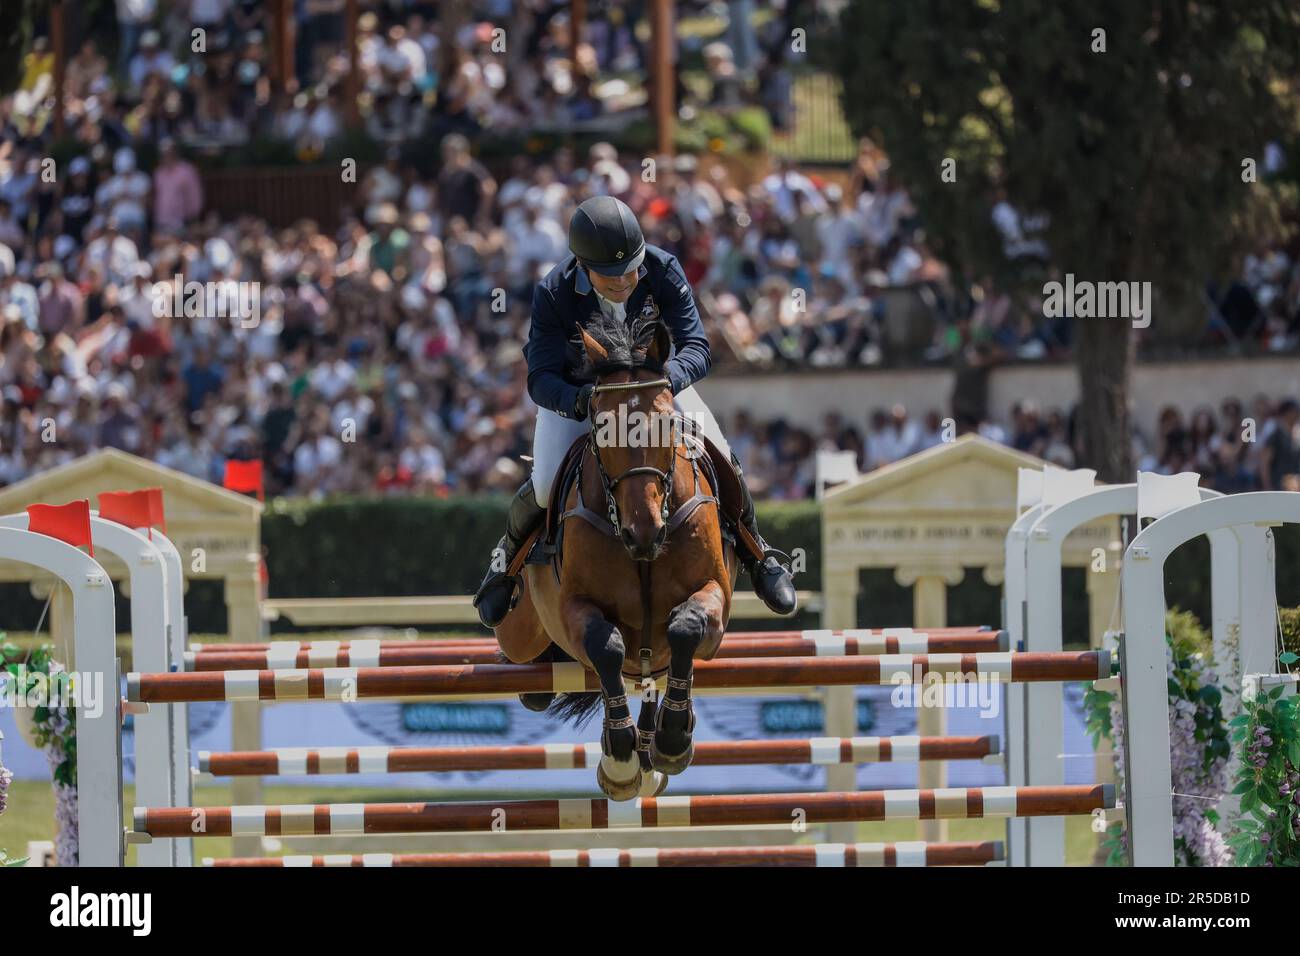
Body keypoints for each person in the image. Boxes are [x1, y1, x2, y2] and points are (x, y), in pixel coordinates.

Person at [473, 195, 797, 627]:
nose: (625, 279)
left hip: (656, 390)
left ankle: (760, 555)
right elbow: (541, 378)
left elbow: (698, 347)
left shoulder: (663, 270)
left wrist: (664, 385)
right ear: (583, 266)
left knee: (719, 453)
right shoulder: (553, 292)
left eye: (631, 268)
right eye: (611, 275)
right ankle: (506, 566)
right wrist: (582, 401)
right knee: (548, 483)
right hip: (582, 399)